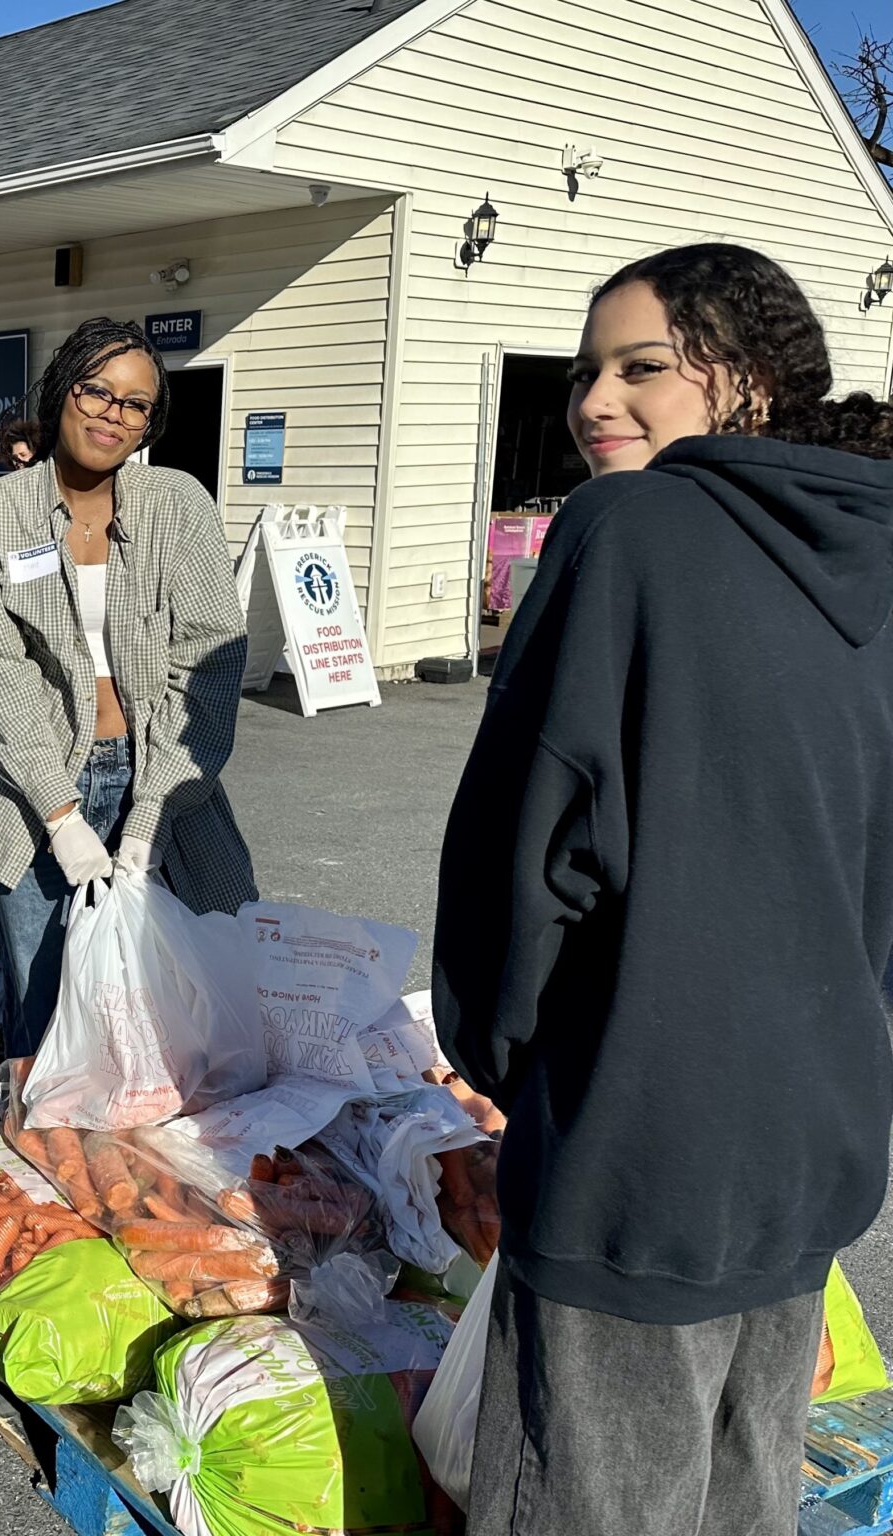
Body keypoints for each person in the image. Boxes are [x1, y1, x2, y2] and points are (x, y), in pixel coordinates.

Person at [432, 244, 893, 1536]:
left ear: (744, 385)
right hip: (815, 1151)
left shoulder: (625, 531)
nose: (592, 401)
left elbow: (523, 848)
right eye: (586, 373)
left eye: (641, 368)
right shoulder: (875, 554)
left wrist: (501, 1052)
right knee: (747, 1501)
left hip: (636, 1150)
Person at [0, 317, 256, 1057]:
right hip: (38, 794)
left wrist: (152, 811)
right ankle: (49, 1161)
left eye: (135, 404)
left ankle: (160, 1170)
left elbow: (209, 661)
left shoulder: (177, 506)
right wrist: (61, 816)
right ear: (62, 392)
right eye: (97, 391)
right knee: (51, 1027)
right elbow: (0, 668)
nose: (111, 415)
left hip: (166, 783)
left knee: (192, 1012)